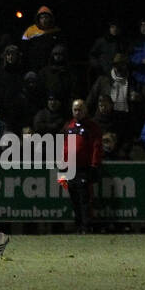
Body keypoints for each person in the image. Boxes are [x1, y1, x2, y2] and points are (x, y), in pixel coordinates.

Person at [61, 99, 103, 234]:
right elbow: (64, 146)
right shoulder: (69, 126)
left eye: (80, 109)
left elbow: (96, 146)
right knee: (74, 198)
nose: (77, 112)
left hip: (84, 168)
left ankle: (86, 226)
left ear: (85, 110)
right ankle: (78, 225)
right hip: (70, 168)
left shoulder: (92, 127)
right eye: (75, 109)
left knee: (84, 198)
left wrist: (94, 165)